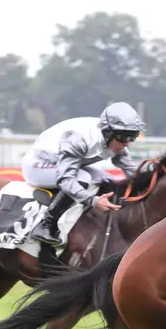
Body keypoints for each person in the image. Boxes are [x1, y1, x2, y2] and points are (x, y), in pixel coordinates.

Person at [20, 102, 146, 245]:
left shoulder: (115, 138)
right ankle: (46, 224)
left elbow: (133, 172)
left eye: (132, 137)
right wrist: (94, 201)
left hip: (63, 163)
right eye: (124, 138)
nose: (127, 143)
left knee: (106, 178)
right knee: (82, 178)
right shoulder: (79, 139)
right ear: (108, 133)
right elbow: (66, 179)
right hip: (37, 165)